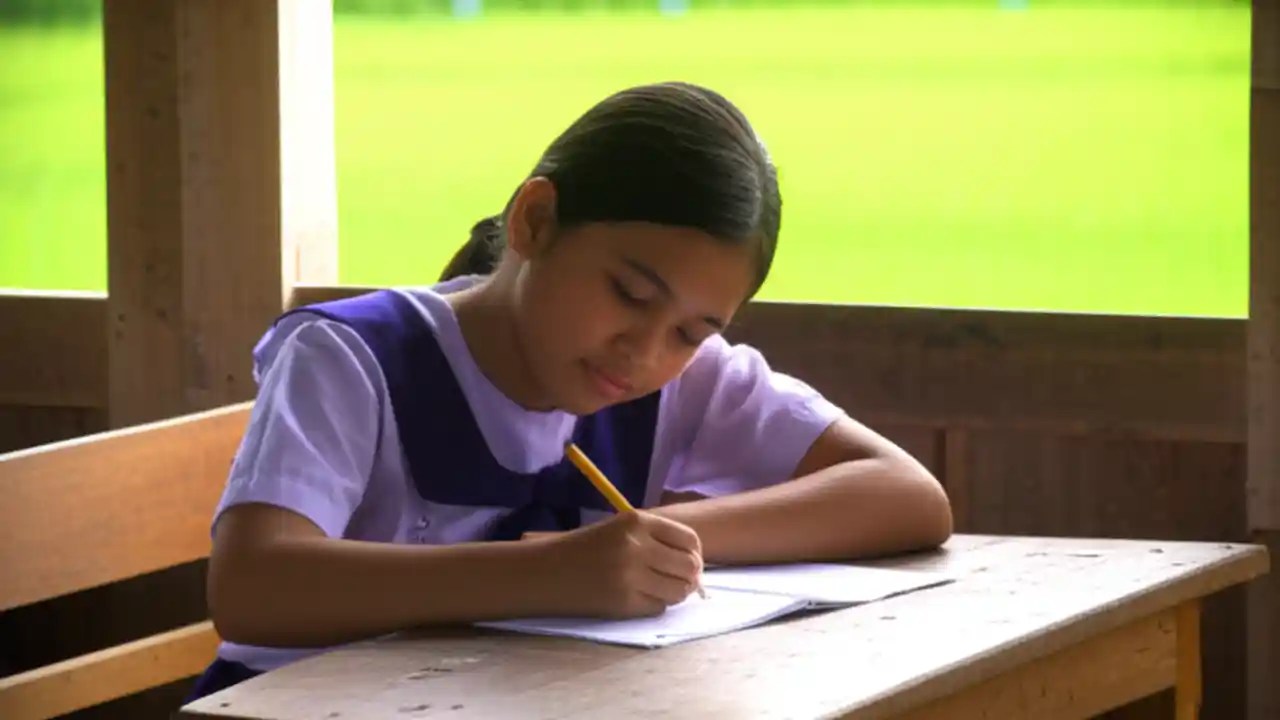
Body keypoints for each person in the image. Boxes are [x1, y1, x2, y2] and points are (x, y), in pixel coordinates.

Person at [188, 81, 952, 701]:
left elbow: (905, 495)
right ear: (535, 220)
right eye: (628, 292)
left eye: (693, 330)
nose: (648, 351)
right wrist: (545, 575)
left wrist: (654, 548)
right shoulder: (354, 358)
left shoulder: (680, 379)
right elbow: (256, 584)